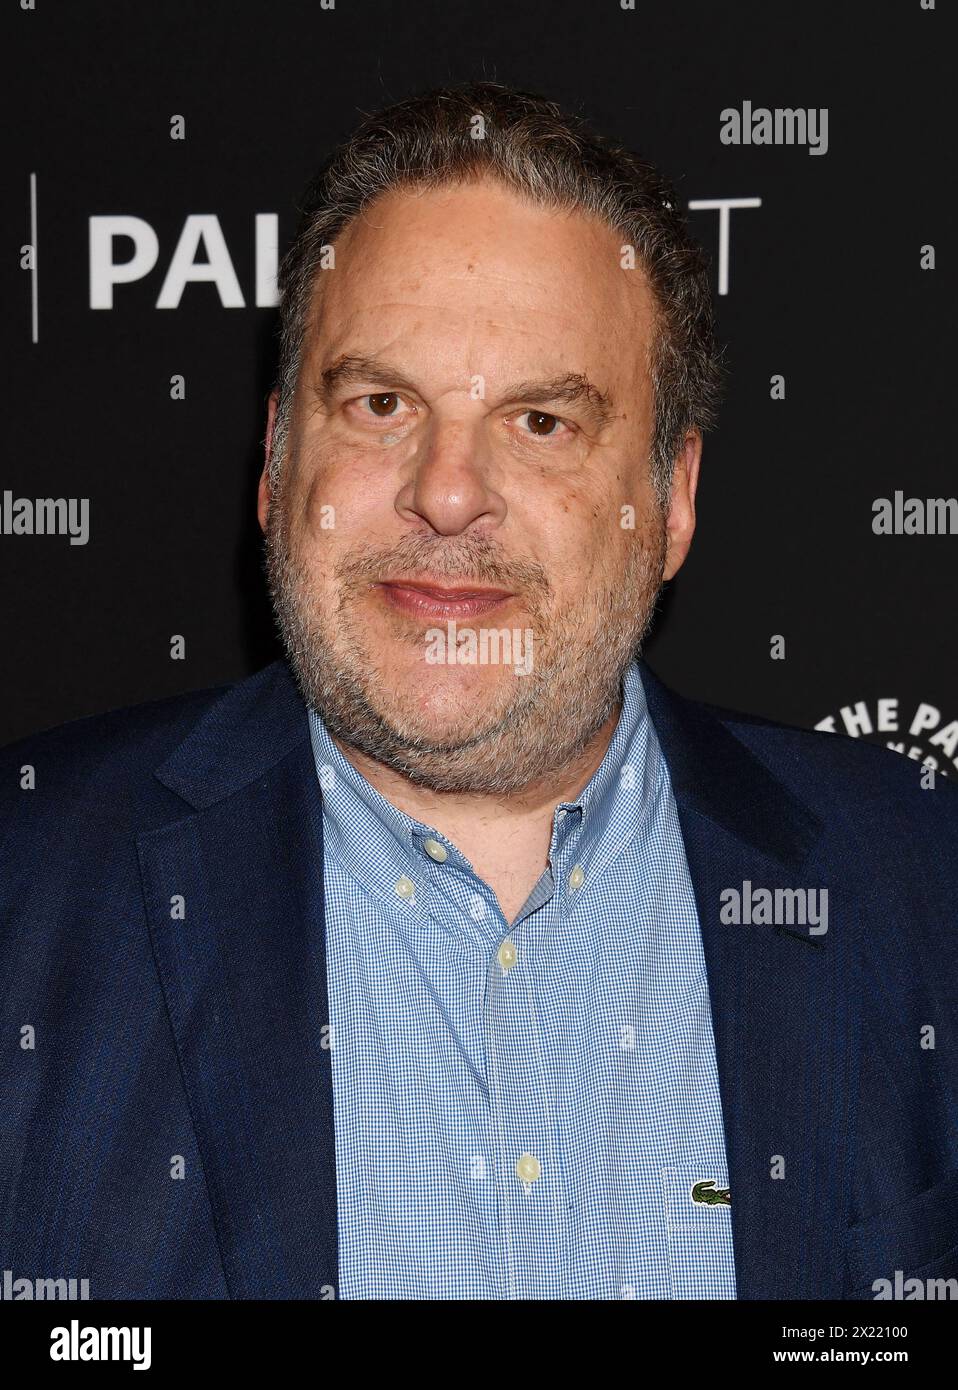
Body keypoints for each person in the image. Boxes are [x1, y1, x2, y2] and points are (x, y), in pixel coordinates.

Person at [2, 81, 956, 1301]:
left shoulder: (921, 885)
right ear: (276, 455)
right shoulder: (25, 897)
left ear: (670, 499)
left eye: (543, 421)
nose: (447, 494)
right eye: (382, 403)